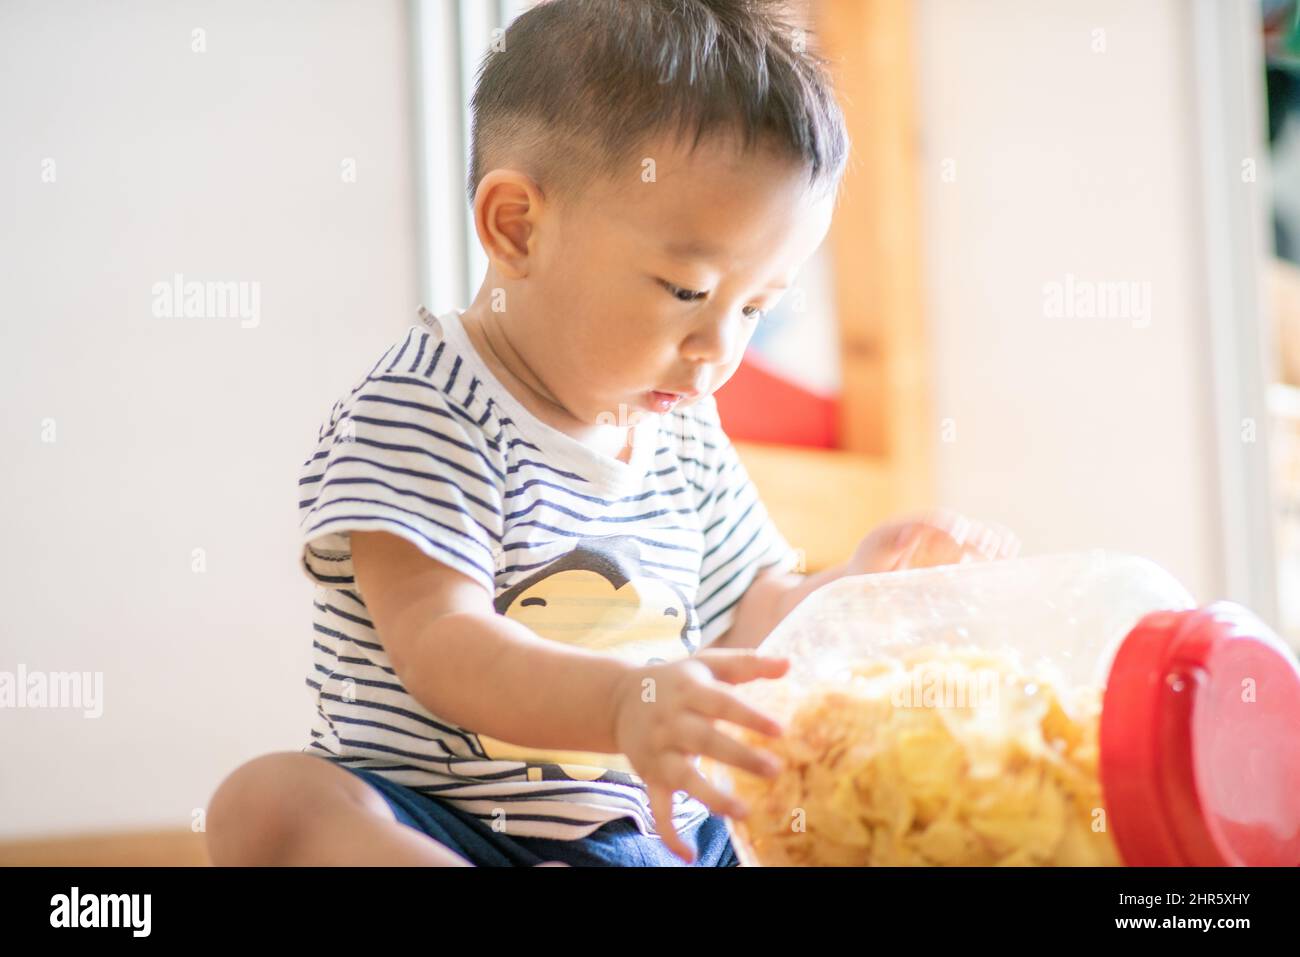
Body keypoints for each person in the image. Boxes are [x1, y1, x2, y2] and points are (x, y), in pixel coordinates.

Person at [205, 0, 1017, 868]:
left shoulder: (686, 430)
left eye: (756, 309)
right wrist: (625, 702)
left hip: (663, 835)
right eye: (685, 290)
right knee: (269, 802)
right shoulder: (422, 408)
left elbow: (754, 611)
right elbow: (443, 644)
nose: (719, 350)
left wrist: (859, 592)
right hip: (457, 830)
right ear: (517, 226)